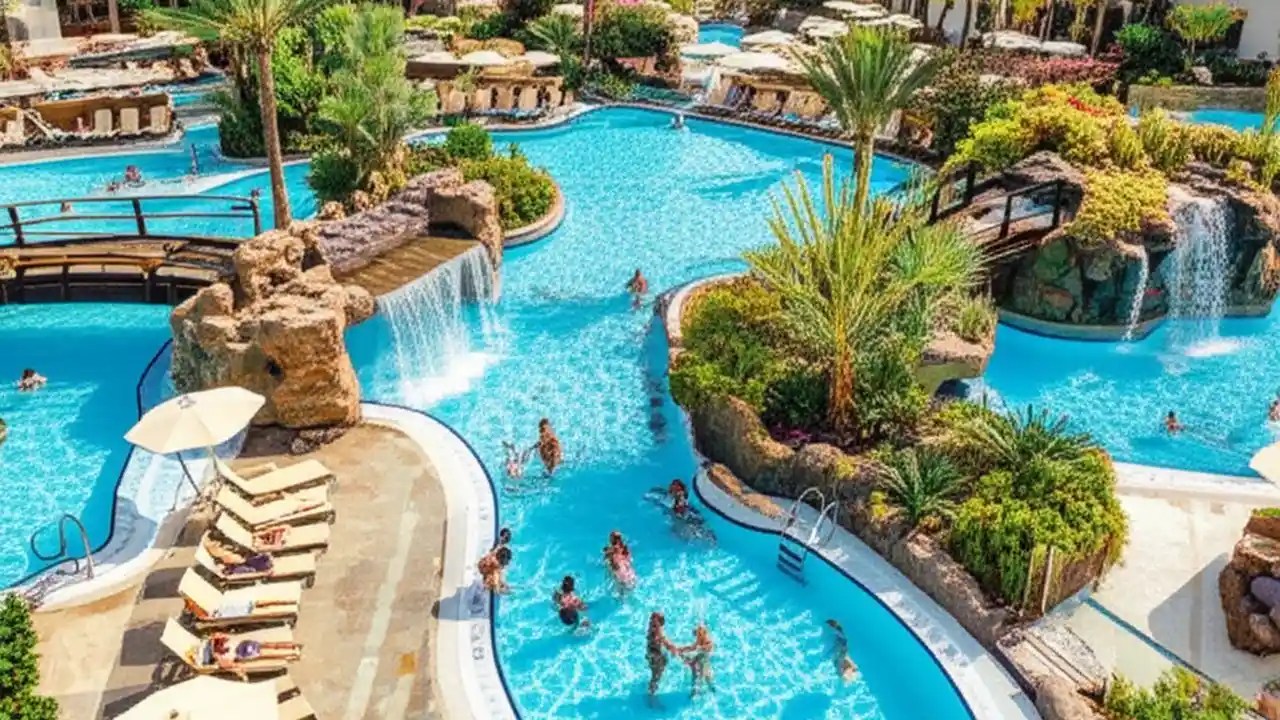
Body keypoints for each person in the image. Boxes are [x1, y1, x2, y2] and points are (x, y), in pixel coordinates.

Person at [646, 612, 678, 698]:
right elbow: (666, 642)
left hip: (651, 655)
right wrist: (674, 649)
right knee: (656, 676)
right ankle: (651, 696)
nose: (651, 621)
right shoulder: (658, 631)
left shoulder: (651, 628)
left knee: (656, 673)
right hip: (655, 657)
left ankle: (651, 691)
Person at [679, 623, 715, 697]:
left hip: (705, 664)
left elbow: (709, 646)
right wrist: (683, 649)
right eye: (697, 634)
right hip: (699, 662)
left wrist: (700, 648)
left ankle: (711, 690)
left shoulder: (707, 641)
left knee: (707, 678)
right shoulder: (699, 640)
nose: (698, 636)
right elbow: (692, 647)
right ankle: (694, 692)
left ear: (704, 633)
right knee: (696, 677)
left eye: (699, 634)